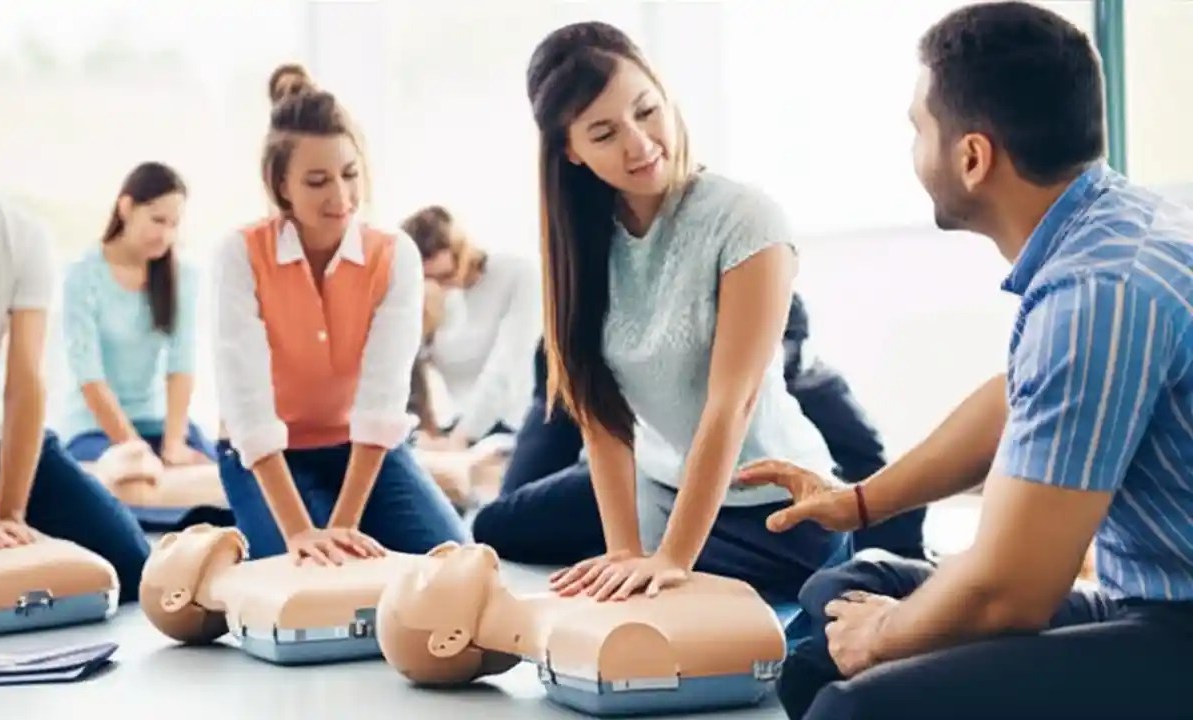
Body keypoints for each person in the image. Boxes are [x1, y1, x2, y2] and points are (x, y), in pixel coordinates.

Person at [740, 4, 1193, 718]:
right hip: (1143, 595)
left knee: (851, 704)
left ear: (973, 156)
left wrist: (883, 639)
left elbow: (1012, 590)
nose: (914, 147)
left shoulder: (1096, 295)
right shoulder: (1110, 225)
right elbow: (1014, 401)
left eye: (919, 128)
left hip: (1176, 626)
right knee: (847, 590)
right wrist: (860, 501)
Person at [522, 22, 849, 605]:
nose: (640, 143)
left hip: (780, 515)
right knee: (533, 558)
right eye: (604, 132)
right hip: (663, 496)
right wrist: (625, 553)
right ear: (570, 152)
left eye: (647, 111)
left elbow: (733, 402)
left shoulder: (747, 218)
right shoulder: (582, 243)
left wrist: (671, 559)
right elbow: (602, 417)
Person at [472, 296, 928, 566]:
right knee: (496, 525)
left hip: (742, 502)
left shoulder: (806, 378)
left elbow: (879, 481)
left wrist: (889, 559)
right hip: (644, 473)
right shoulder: (614, 306)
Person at [0, 82, 150, 600]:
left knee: (133, 568)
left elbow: (26, 379)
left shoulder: (21, 234)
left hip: (2, 442)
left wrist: (9, 519)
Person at [212, 89, 468, 564]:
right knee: (309, 573)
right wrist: (301, 534)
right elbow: (247, 407)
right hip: (271, 457)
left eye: (350, 175)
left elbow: (382, 401)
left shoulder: (395, 256)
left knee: (456, 564)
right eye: (316, 181)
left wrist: (345, 527)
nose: (341, 197)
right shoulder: (240, 254)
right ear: (281, 185)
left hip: (362, 450)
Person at [61, 161, 216, 468]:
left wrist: (174, 445)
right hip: (94, 429)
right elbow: (89, 376)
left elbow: (181, 364)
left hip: (160, 425)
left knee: (222, 478)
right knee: (132, 481)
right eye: (158, 220)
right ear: (126, 207)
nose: (166, 235)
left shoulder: (183, 275)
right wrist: (135, 449)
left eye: (174, 224)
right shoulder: (82, 276)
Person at [402, 205, 542, 449]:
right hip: (455, 425)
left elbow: (507, 364)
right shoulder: (428, 297)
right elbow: (407, 375)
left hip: (514, 422)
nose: (442, 286)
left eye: (446, 275)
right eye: (430, 279)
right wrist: (428, 433)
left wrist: (461, 439)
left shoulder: (517, 274)